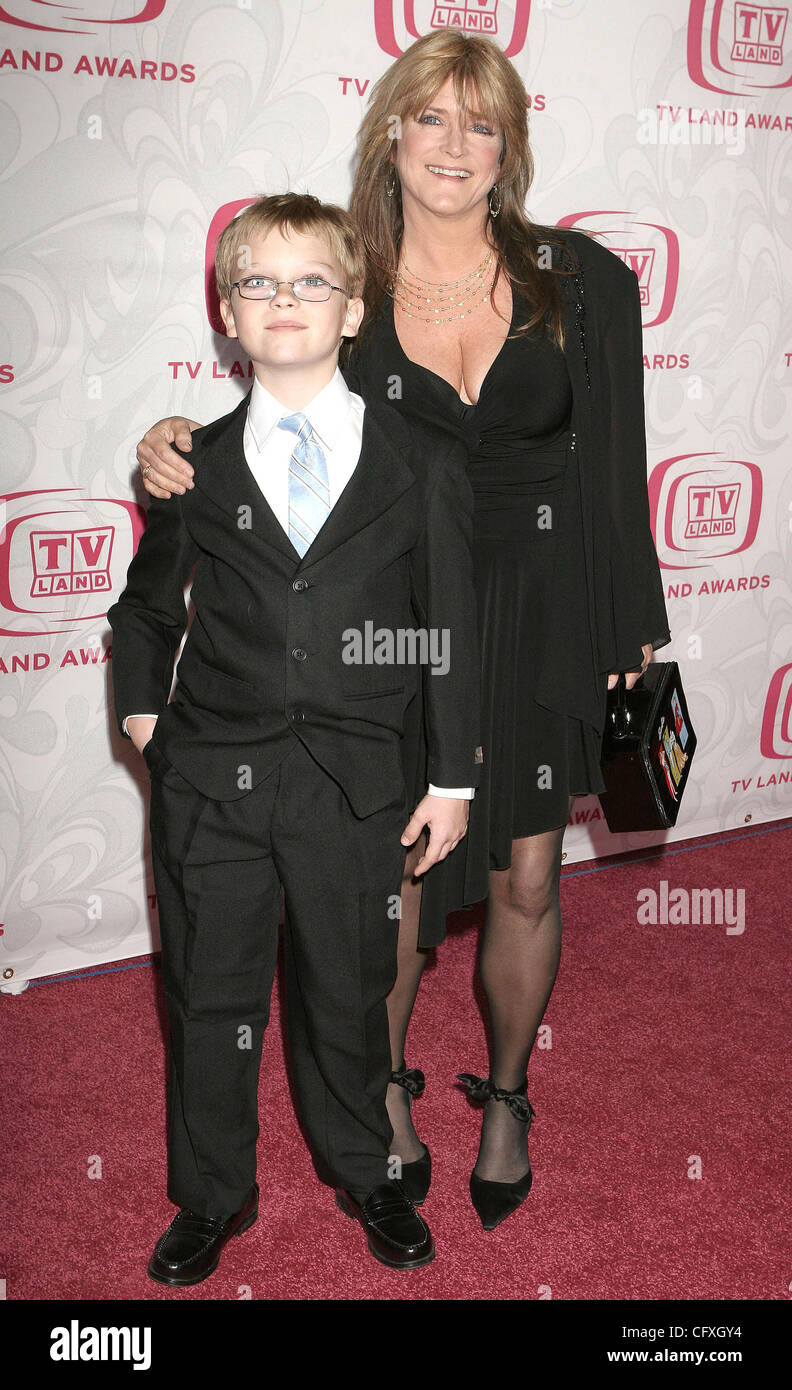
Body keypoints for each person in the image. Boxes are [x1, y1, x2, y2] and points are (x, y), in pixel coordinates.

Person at [135, 31, 671, 1233]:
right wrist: (170, 435)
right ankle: (380, 1090)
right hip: (392, 627)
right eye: (431, 117)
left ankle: (510, 1097)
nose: (455, 147)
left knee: (531, 871)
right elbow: (267, 408)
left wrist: (633, 622)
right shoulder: (348, 275)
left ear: (510, 147)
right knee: (400, 885)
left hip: (539, 610)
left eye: (483, 125)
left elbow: (620, 463)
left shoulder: (582, 281)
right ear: (391, 128)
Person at [109, 192, 482, 1282]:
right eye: (258, 282)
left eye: (311, 280)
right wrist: (150, 731)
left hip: (357, 788)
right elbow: (144, 611)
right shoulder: (194, 461)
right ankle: (213, 1194)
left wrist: (454, 777)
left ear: (353, 307)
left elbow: (447, 627)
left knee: (347, 989)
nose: (285, 300)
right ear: (228, 311)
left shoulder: (423, 460)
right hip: (213, 787)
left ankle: (366, 1169)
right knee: (209, 996)